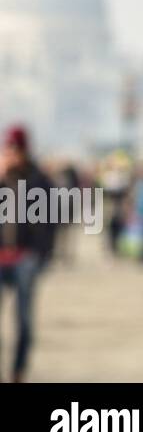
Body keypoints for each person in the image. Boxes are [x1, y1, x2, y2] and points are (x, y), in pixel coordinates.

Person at [0, 126, 55, 382]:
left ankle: (18, 372)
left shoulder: (38, 180)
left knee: (23, 321)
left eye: (14, 149)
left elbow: (49, 221)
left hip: (25, 259)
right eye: (7, 149)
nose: (11, 154)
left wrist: (41, 255)